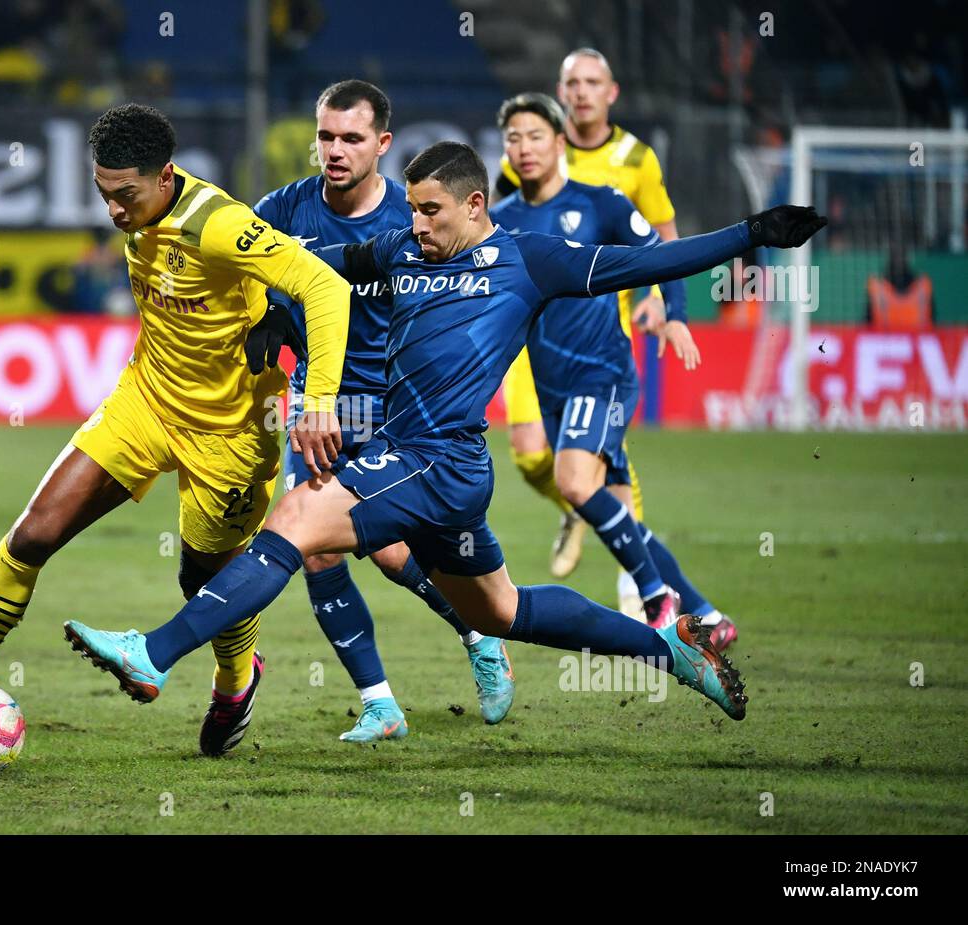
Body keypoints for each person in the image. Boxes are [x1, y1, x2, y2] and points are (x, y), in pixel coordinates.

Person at [60, 140, 825, 736]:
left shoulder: (530, 260)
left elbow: (646, 261)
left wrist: (753, 234)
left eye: (431, 211)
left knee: (296, 519)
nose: (417, 224)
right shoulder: (398, 249)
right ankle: (674, 653)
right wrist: (265, 313)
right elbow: (306, 266)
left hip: (438, 460)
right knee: (500, 611)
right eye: (414, 210)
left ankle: (153, 653)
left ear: (475, 204)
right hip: (427, 466)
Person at [0, 103, 352, 758]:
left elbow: (325, 288)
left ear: (166, 177)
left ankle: (235, 681)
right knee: (33, 533)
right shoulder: (139, 213)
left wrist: (318, 399)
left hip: (232, 432)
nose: (114, 210)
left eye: (126, 195)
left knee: (203, 582)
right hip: (146, 401)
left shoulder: (218, 224)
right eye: (104, 193)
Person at [253, 79, 514, 742]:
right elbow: (247, 278)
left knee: (396, 553)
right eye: (326, 136)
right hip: (317, 406)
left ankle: (478, 632)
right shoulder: (281, 210)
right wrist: (267, 317)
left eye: (352, 138)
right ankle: (379, 703)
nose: (335, 150)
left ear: (382, 144)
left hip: (393, 409)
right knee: (315, 551)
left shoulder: (414, 219)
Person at [491, 93, 736, 649]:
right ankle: (706, 615)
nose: (524, 148)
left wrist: (675, 315)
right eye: (513, 139)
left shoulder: (601, 203)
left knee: (575, 483)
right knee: (621, 517)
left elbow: (663, 254)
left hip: (603, 374)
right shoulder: (500, 222)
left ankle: (657, 601)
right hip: (552, 386)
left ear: (559, 142)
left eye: (535, 136)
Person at [496, 49, 677, 621]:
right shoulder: (508, 202)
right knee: (544, 464)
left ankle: (651, 595)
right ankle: (664, 599)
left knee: (583, 475)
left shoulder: (624, 176)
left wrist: (666, 305)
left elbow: (665, 247)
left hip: (600, 352)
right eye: (571, 82)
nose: (581, 92)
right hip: (539, 353)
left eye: (592, 82)